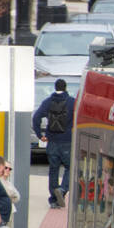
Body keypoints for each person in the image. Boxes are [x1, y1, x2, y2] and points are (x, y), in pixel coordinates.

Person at [33, 77, 76, 208]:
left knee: (53, 170)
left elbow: (36, 118)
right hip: (67, 141)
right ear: (65, 88)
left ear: (55, 88)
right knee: (70, 167)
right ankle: (62, 190)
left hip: (52, 142)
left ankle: (53, 200)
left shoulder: (47, 102)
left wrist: (40, 135)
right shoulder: (72, 103)